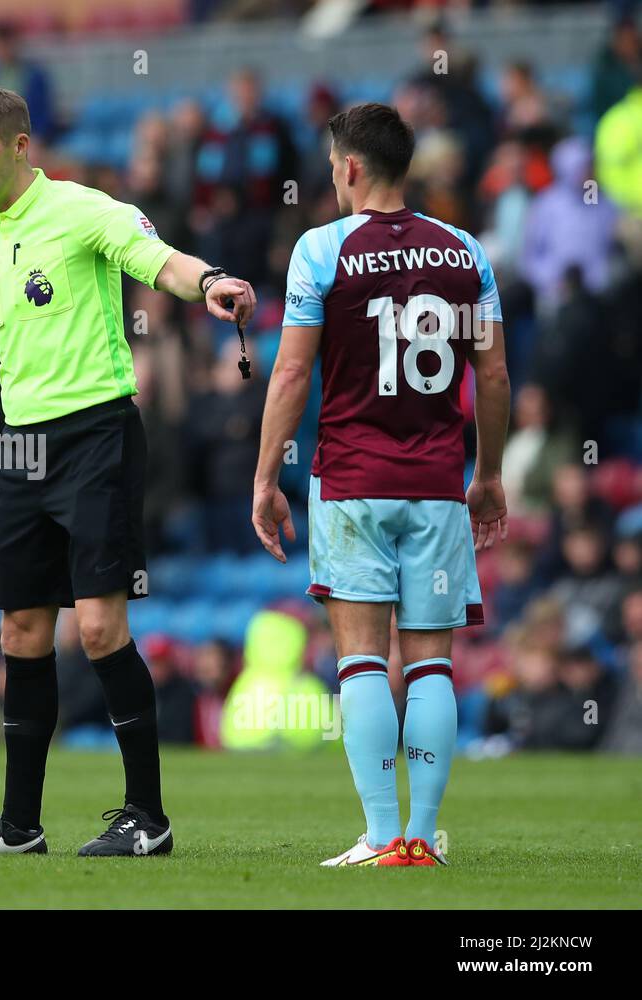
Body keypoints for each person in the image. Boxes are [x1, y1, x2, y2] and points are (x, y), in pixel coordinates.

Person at [0, 85, 256, 857]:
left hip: (98, 434)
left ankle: (149, 817)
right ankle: (19, 829)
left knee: (101, 628)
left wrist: (209, 282)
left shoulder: (83, 209)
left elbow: (159, 259)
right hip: (22, 447)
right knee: (22, 631)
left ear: (19, 147)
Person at [251, 103, 510, 867]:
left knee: (362, 659)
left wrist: (267, 477)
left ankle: (378, 834)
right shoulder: (466, 252)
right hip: (435, 483)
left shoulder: (320, 249)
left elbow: (294, 369)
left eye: (334, 167)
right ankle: (422, 840)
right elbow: (491, 373)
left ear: (352, 167)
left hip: (354, 483)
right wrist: (487, 473)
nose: (332, 178)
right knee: (430, 660)